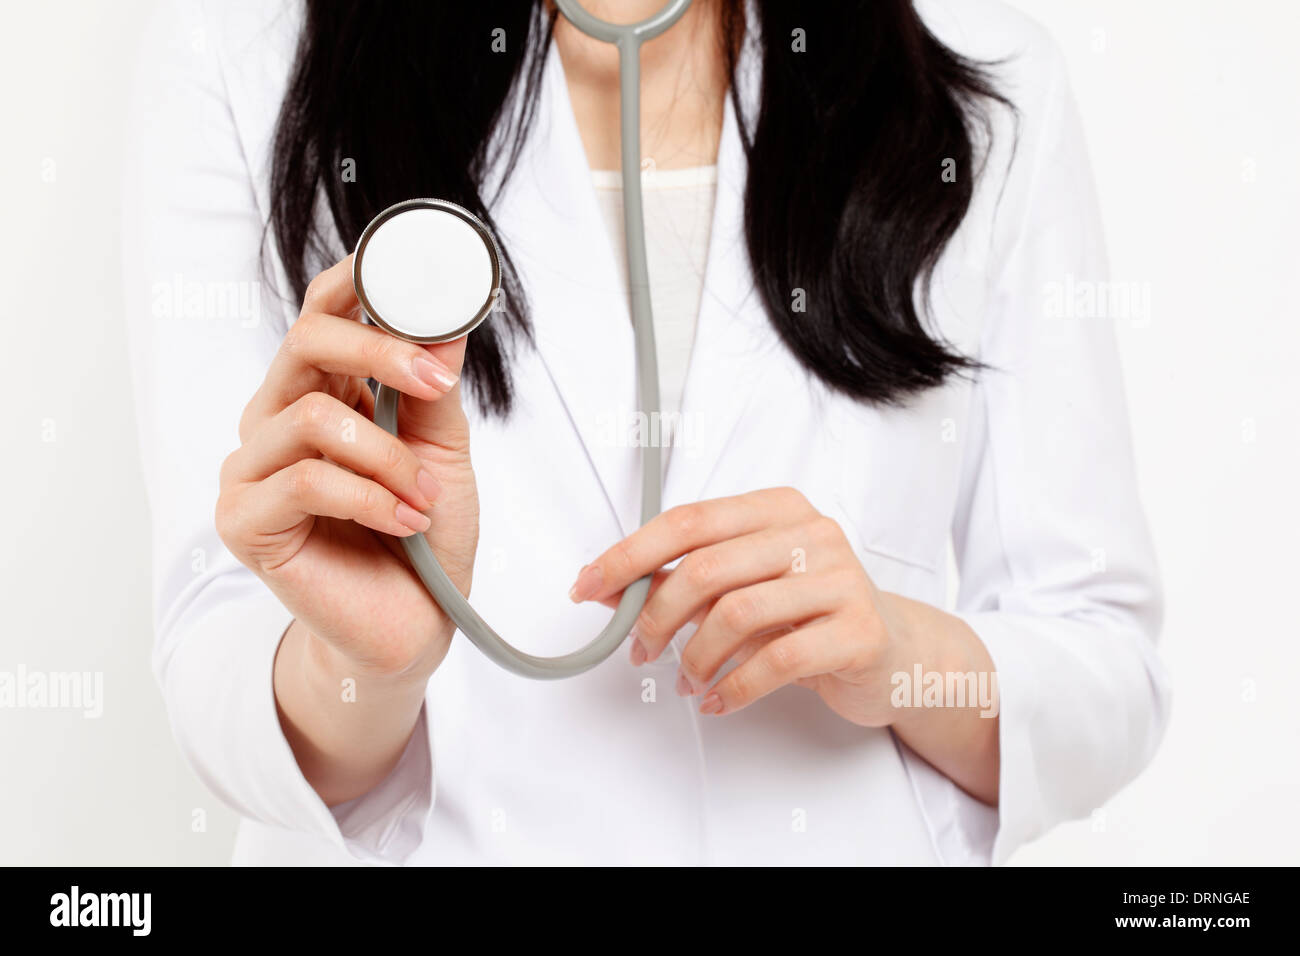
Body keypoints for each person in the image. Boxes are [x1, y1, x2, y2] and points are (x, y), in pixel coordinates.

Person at [123, 0, 1168, 865]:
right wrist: (367, 669)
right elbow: (215, 657)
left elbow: (1106, 663)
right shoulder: (245, 55)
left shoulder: (983, 76)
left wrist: (898, 653)